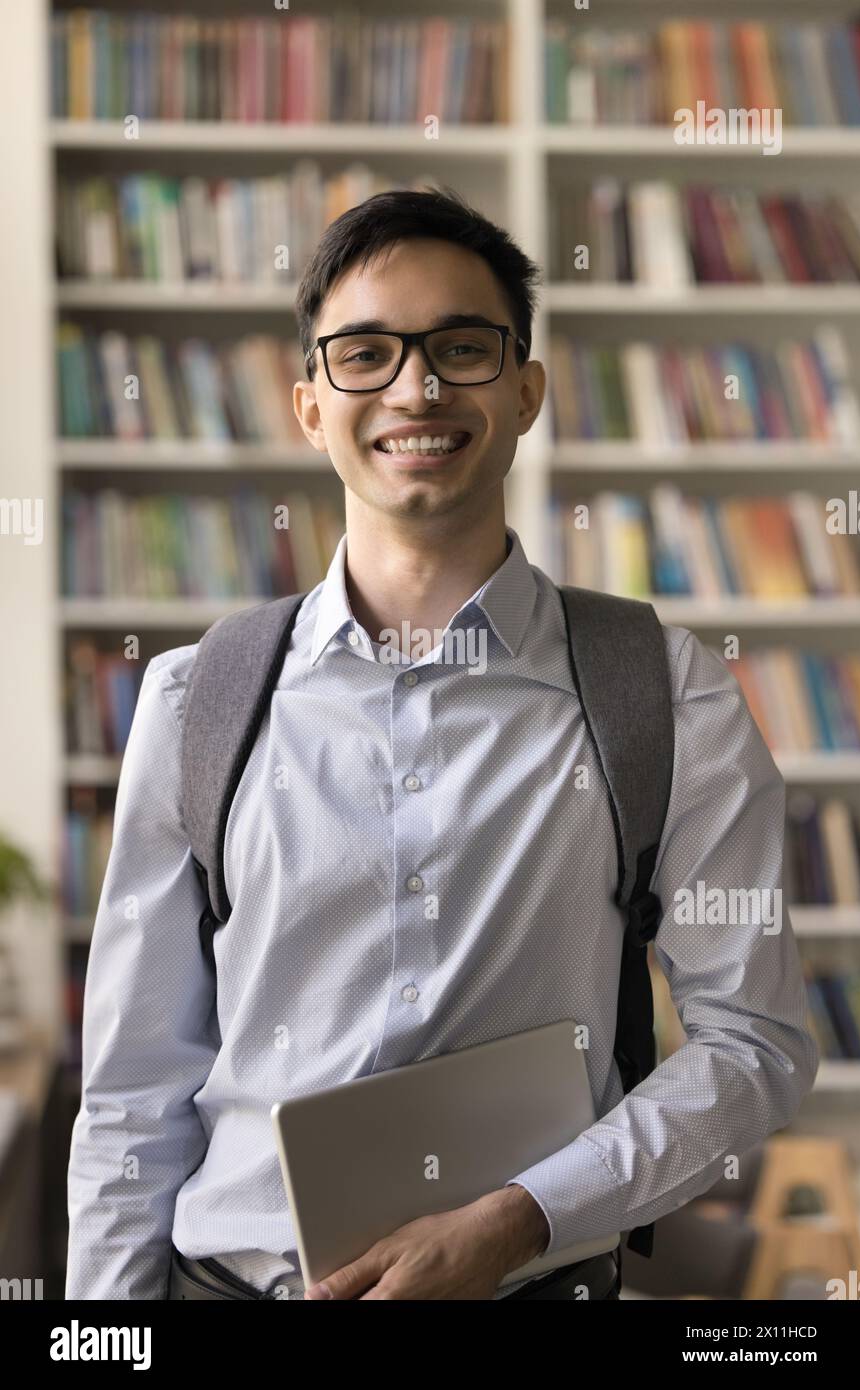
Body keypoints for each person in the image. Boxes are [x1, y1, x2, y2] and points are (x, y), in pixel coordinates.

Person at [66, 187, 818, 1302]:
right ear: (310, 407)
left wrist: (521, 1221)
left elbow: (755, 1044)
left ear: (526, 390)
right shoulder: (195, 703)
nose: (417, 387)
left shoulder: (664, 694)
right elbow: (134, 1091)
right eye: (365, 353)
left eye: (461, 348)